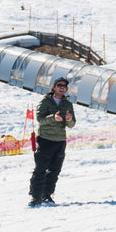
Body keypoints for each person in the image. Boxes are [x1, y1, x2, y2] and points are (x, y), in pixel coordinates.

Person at [28, 77, 76, 206]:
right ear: (54, 87)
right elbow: (40, 119)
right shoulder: (45, 101)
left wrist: (69, 119)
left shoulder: (68, 104)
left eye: (64, 86)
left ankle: (47, 195)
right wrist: (53, 118)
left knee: (54, 171)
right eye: (59, 85)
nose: (62, 87)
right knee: (40, 169)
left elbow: (72, 124)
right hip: (45, 140)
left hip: (60, 141)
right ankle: (35, 197)